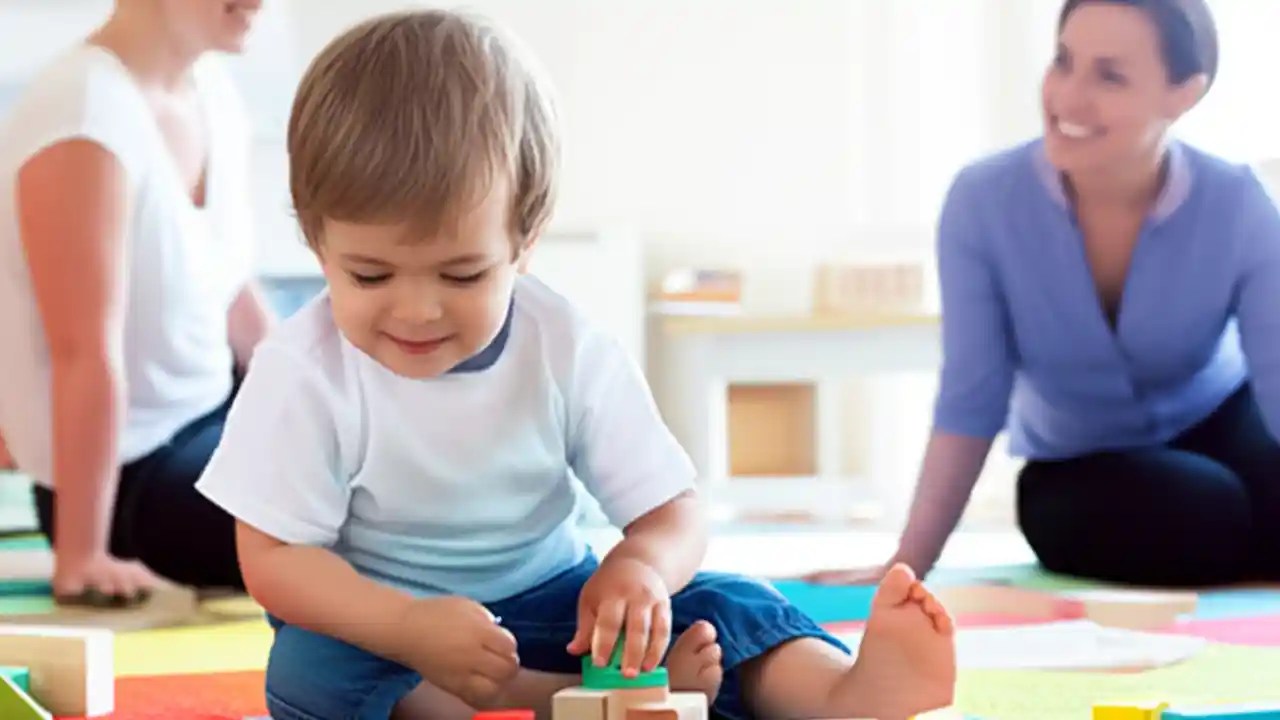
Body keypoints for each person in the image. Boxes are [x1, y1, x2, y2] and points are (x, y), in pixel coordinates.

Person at [194, 9, 956, 720]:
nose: (416, 310)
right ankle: (593, 702)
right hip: (391, 630)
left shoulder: (563, 343)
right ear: (315, 240)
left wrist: (642, 572)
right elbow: (274, 562)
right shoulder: (302, 368)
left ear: (526, 240)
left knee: (733, 606)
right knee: (309, 668)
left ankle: (843, 695)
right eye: (370, 276)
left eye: (461, 275)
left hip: (559, 605)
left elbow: (672, 511)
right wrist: (407, 625)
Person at [808, 0, 1280, 590]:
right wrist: (907, 564)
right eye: (1063, 62)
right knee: (1206, 511)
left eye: (1109, 75)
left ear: (1184, 93)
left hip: (1220, 421)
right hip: (1078, 466)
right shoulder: (983, 202)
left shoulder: (1238, 202)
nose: (1068, 97)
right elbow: (971, 400)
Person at [0, 0, 274, 602]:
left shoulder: (212, 89)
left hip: (214, 417)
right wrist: (82, 556)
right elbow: (83, 353)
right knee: (342, 532)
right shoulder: (81, 116)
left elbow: (232, 290)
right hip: (125, 479)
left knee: (397, 481)